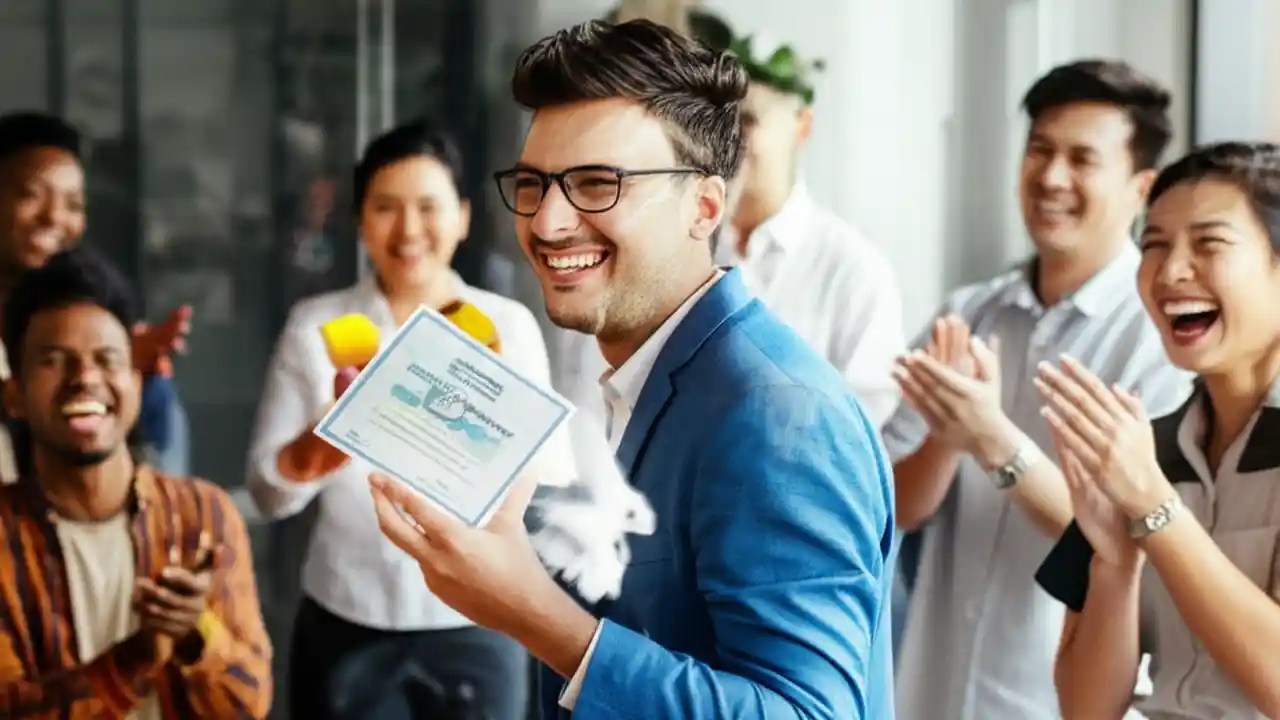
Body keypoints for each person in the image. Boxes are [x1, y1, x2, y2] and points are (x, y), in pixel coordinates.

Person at [368, 19, 896, 720]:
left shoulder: (778, 414)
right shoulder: (649, 369)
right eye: (533, 184)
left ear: (704, 206)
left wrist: (536, 616)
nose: (548, 222)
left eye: (598, 184)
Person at [884, 60, 1194, 719]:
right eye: (1040, 150)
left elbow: (1138, 539)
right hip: (929, 688)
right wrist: (947, 439)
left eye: (1082, 158)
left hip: (1054, 697)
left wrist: (993, 440)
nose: (1052, 177)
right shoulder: (967, 312)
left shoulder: (1159, 338)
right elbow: (896, 510)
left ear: (1141, 188)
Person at [247, 121, 561, 720]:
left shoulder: (504, 326)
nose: (409, 229)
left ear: (464, 216)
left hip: (479, 618)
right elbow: (267, 493)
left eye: (428, 206)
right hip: (346, 615)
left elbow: (541, 479)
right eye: (386, 207)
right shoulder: (318, 326)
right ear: (360, 221)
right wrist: (322, 443)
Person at [556, 15, 904, 431]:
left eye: (749, 121)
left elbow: (861, 430)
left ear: (801, 125)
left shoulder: (852, 270)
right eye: (717, 122)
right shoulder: (649, 245)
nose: (728, 139)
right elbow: (585, 404)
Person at [1035, 142, 1280, 719]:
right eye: (1154, 245)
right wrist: (1116, 562)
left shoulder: (1142, 476)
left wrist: (1155, 509)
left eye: (1209, 243)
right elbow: (1085, 708)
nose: (1170, 271)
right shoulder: (1142, 449)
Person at [0, 246, 271, 719]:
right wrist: (140, 653)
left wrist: (195, 633)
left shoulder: (203, 515)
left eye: (106, 358)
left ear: (136, 381)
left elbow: (247, 707)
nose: (85, 378)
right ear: (15, 396)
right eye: (53, 360)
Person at [0, 111, 192, 480]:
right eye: (30, 195)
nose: (54, 217)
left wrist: (125, 370)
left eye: (73, 205)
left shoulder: (100, 309)